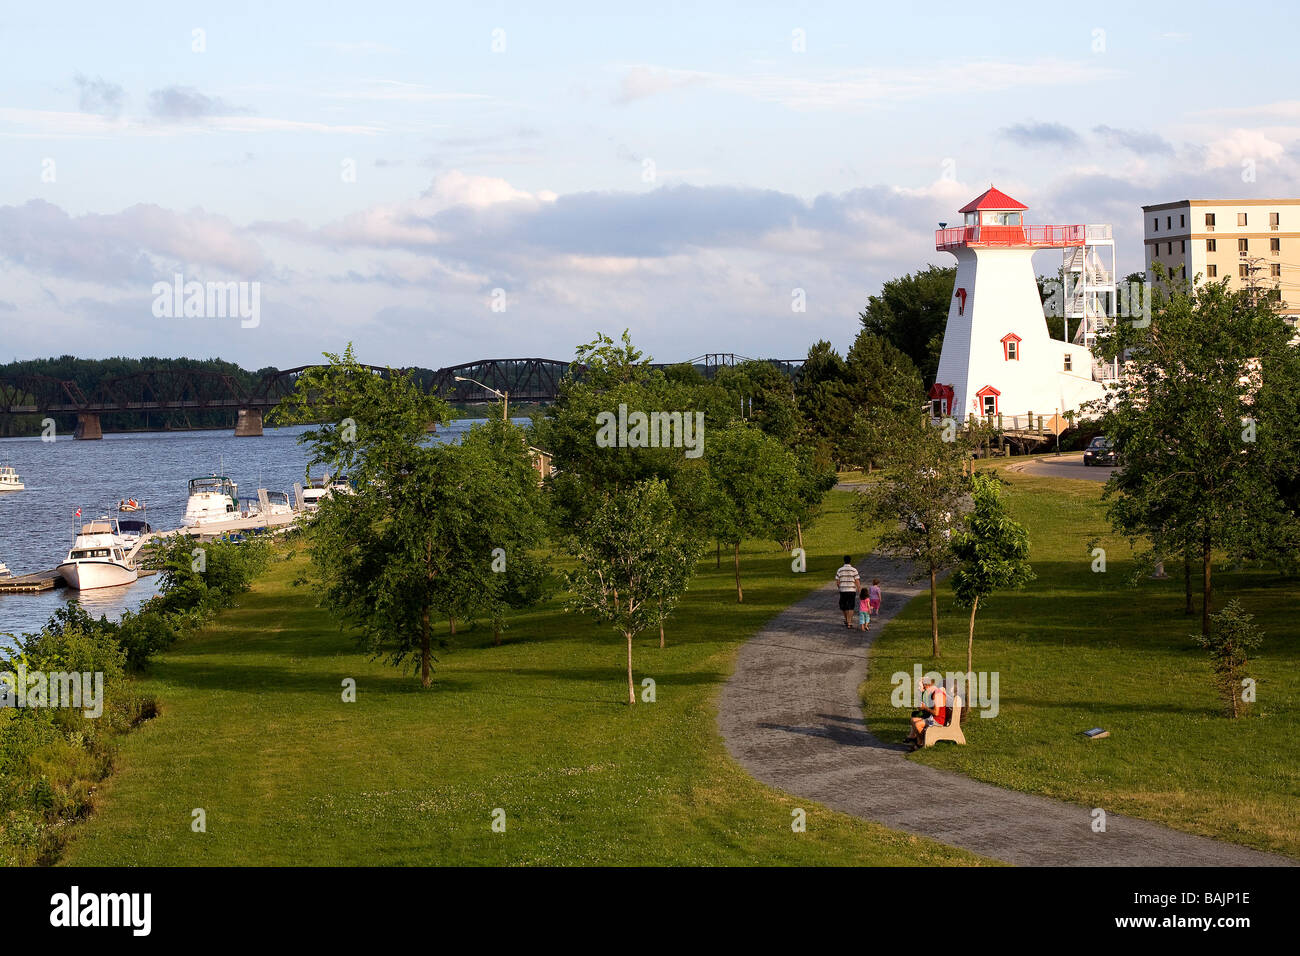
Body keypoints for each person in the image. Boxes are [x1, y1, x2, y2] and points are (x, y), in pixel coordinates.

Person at [906, 676, 948, 751]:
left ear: (927, 685)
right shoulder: (931, 692)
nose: (923, 690)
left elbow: (936, 713)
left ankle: (920, 743)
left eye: (924, 688)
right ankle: (920, 741)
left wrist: (925, 707)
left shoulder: (937, 694)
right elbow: (920, 708)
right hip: (932, 718)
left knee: (917, 724)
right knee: (913, 720)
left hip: (938, 721)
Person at [834, 556, 860, 628]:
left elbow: (837, 582)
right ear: (850, 561)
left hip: (843, 590)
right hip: (851, 590)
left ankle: (846, 620)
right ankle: (849, 622)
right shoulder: (854, 570)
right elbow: (857, 581)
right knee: (851, 606)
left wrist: (840, 588)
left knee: (843, 606)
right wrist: (859, 589)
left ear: (844, 561)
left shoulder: (840, 570)